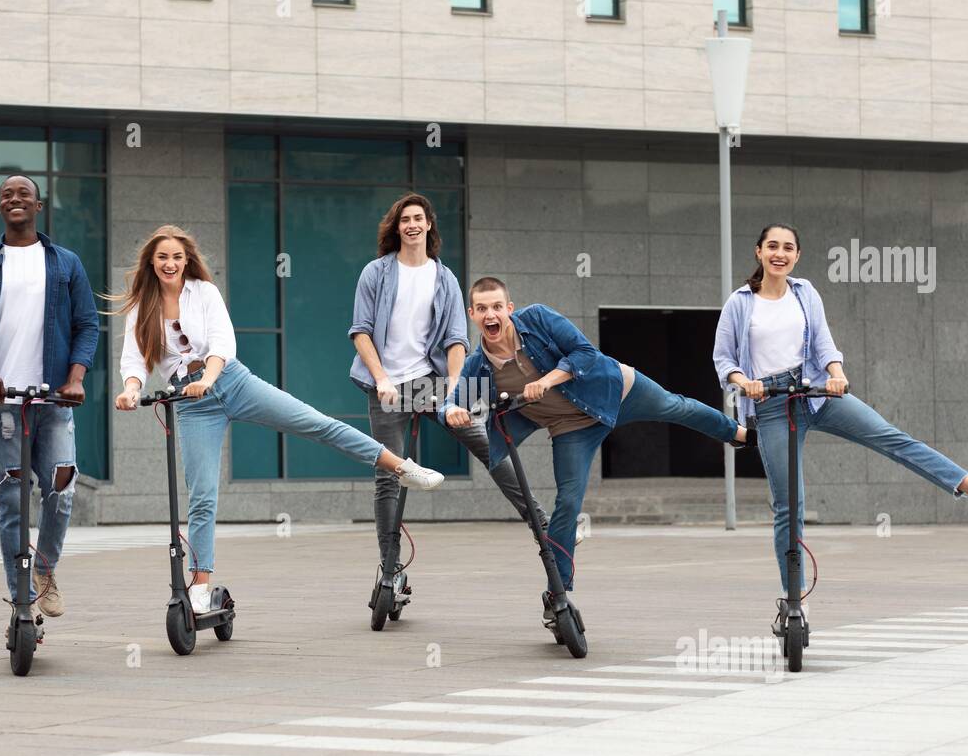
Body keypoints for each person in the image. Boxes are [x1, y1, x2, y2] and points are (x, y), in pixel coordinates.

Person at [114, 225, 445, 615]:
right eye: (162, 257)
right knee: (202, 495)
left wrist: (207, 377)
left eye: (177, 257)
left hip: (231, 381)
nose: (170, 264)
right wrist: (131, 390)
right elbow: (134, 360)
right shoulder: (142, 307)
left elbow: (222, 342)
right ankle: (200, 585)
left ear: (187, 261)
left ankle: (402, 467)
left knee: (317, 424)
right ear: (151, 263)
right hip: (190, 403)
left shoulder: (203, 292)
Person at [714, 222, 968, 631]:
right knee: (790, 506)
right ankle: (794, 603)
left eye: (788, 247)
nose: (780, 254)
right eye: (772, 246)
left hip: (816, 393)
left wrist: (837, 373)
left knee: (891, 437)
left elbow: (823, 345)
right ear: (758, 252)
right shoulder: (740, 302)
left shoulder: (806, 293)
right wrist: (743, 383)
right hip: (770, 403)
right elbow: (723, 360)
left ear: (797, 255)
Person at [443, 277, 751, 607]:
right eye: (483, 309)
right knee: (568, 502)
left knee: (676, 407)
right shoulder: (479, 367)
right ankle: (558, 592)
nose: (491, 315)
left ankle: (738, 433)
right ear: (472, 313)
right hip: (570, 427)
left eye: (497, 307)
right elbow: (453, 400)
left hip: (614, 391)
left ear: (509, 309)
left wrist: (545, 381)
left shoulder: (536, 319)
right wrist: (451, 412)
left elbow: (585, 352)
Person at [349, 193, 545, 589]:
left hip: (431, 382)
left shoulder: (444, 277)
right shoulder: (376, 272)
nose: (412, 224)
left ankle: (543, 526)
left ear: (429, 226)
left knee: (491, 446)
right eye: (405, 219)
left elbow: (457, 340)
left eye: (419, 218)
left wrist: (455, 389)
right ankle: (390, 571)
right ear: (396, 227)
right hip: (386, 385)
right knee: (389, 475)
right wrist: (382, 378)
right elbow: (361, 331)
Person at [0, 174, 98, 638]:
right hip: (3, 405)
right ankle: (21, 599)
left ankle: (44, 570)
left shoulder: (66, 263)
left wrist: (75, 379)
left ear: (39, 205)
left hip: (53, 399)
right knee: (13, 500)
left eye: (23, 194)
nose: (15, 199)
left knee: (62, 489)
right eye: (6, 195)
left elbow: (87, 326)